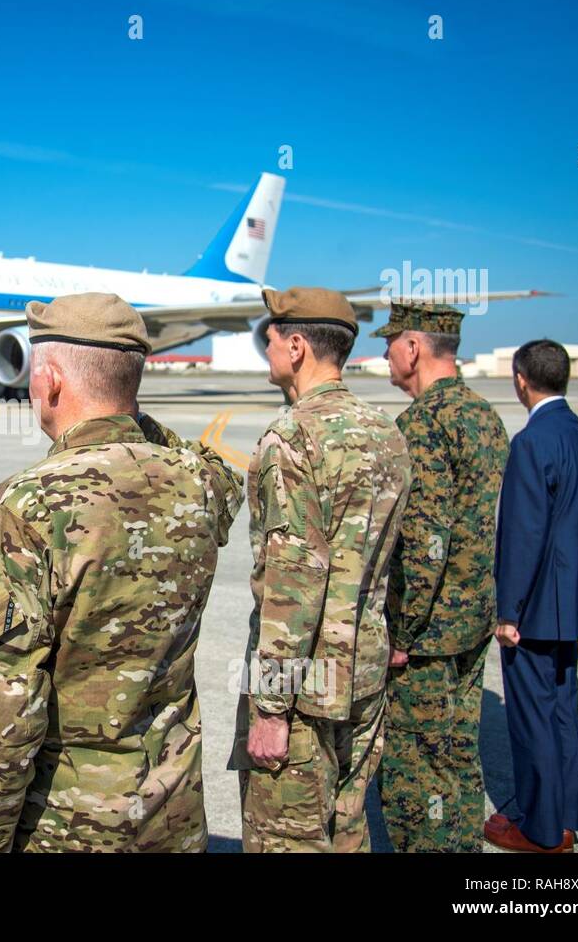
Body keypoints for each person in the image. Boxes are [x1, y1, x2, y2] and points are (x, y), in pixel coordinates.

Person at [0, 292, 243, 852]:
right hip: (172, 811)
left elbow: (2, 698)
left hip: (69, 824)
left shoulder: (26, 503)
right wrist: (129, 415)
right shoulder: (198, 484)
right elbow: (225, 475)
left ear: (50, 380)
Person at [229, 287, 411, 853]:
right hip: (364, 670)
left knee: (284, 838)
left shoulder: (292, 437)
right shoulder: (387, 432)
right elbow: (394, 556)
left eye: (272, 342)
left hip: (304, 686)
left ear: (298, 346)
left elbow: (292, 582)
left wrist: (270, 708)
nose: (269, 353)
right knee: (347, 826)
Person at [373, 303, 508, 852]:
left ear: (413, 348)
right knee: (456, 756)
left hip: (427, 635)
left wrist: (400, 635)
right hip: (472, 621)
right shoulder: (485, 415)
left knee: (415, 772)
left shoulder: (424, 424)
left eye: (390, 344)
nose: (384, 354)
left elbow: (424, 547)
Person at [484, 339, 578, 853]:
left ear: (521, 379)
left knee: (534, 716)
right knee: (564, 710)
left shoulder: (532, 441)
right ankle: (563, 816)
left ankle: (539, 831)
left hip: (535, 606)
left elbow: (522, 535)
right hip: (573, 597)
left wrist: (508, 611)